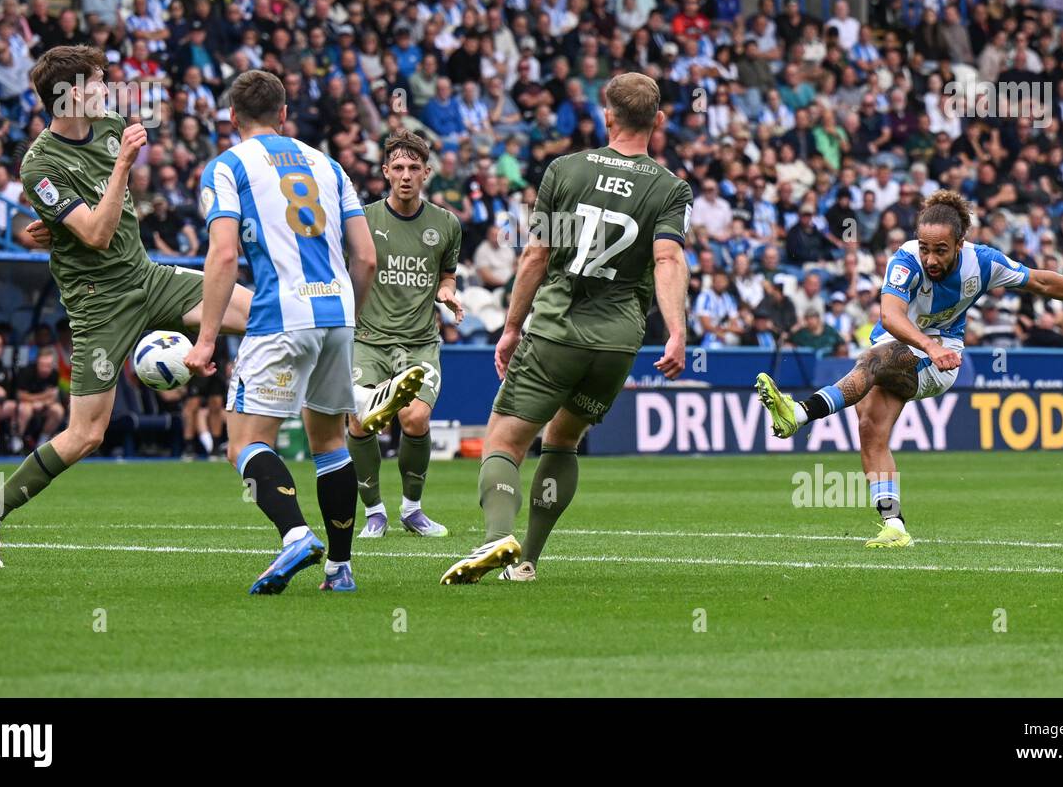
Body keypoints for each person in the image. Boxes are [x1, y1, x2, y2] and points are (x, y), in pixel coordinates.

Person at [0, 45, 256, 569]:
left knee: (260, 313)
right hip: (100, 305)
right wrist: (119, 169)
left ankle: (351, 399)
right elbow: (95, 233)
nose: (107, 90)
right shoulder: (39, 164)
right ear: (69, 94)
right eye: (97, 82)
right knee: (86, 434)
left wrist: (60, 226)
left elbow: (94, 220)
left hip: (146, 276)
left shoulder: (112, 122)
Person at [755, 190, 1063, 547]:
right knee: (871, 427)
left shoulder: (983, 262)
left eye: (941, 250)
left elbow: (1040, 281)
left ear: (960, 243)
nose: (931, 259)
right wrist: (926, 344)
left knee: (872, 362)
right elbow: (889, 316)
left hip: (942, 361)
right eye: (925, 248)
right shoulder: (906, 259)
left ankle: (800, 414)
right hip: (912, 346)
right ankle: (894, 525)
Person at [440, 72, 691, 584]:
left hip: (557, 331)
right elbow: (668, 259)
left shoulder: (567, 170)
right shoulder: (670, 188)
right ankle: (527, 559)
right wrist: (677, 332)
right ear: (658, 121)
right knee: (563, 443)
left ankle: (496, 538)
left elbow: (536, 254)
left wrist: (511, 327)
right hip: (619, 341)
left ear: (607, 116)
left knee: (504, 444)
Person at [184, 70, 420, 595]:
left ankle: (294, 534)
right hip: (337, 313)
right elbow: (367, 257)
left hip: (279, 316)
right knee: (330, 444)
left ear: (232, 118)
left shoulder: (226, 167)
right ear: (284, 114)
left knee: (243, 444)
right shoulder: (329, 165)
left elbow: (223, 253)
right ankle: (340, 570)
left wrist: (204, 341)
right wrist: (348, 316)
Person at [347, 130, 464, 538]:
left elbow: (446, 274)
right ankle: (374, 511)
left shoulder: (446, 224)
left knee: (414, 418)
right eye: (398, 167)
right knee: (361, 423)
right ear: (385, 172)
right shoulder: (363, 220)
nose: (406, 175)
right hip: (369, 341)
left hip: (419, 343)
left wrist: (447, 292)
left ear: (427, 172)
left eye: (414, 167)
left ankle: (412, 509)